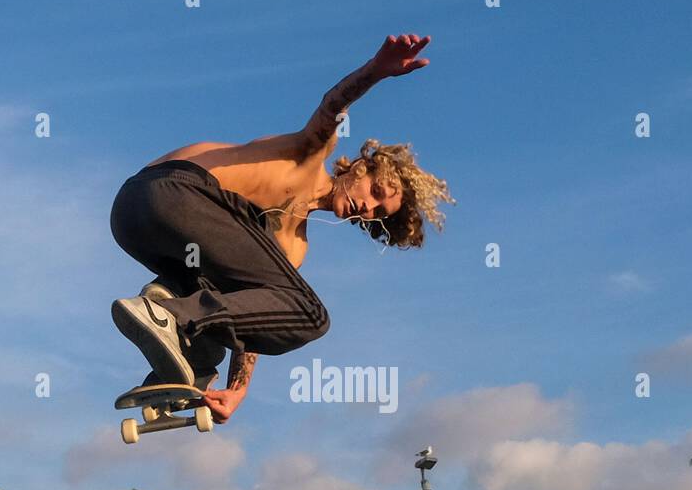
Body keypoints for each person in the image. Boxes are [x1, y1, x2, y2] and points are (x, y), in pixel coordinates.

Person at [108, 35, 453, 423]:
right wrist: (375, 71)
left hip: (131, 222)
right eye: (374, 191)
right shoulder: (309, 155)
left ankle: (180, 352)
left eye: (379, 213)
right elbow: (332, 106)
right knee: (311, 314)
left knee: (247, 308)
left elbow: (255, 318)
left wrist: (238, 390)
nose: (369, 208)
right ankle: (170, 315)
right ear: (360, 166)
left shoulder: (294, 246)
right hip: (171, 191)